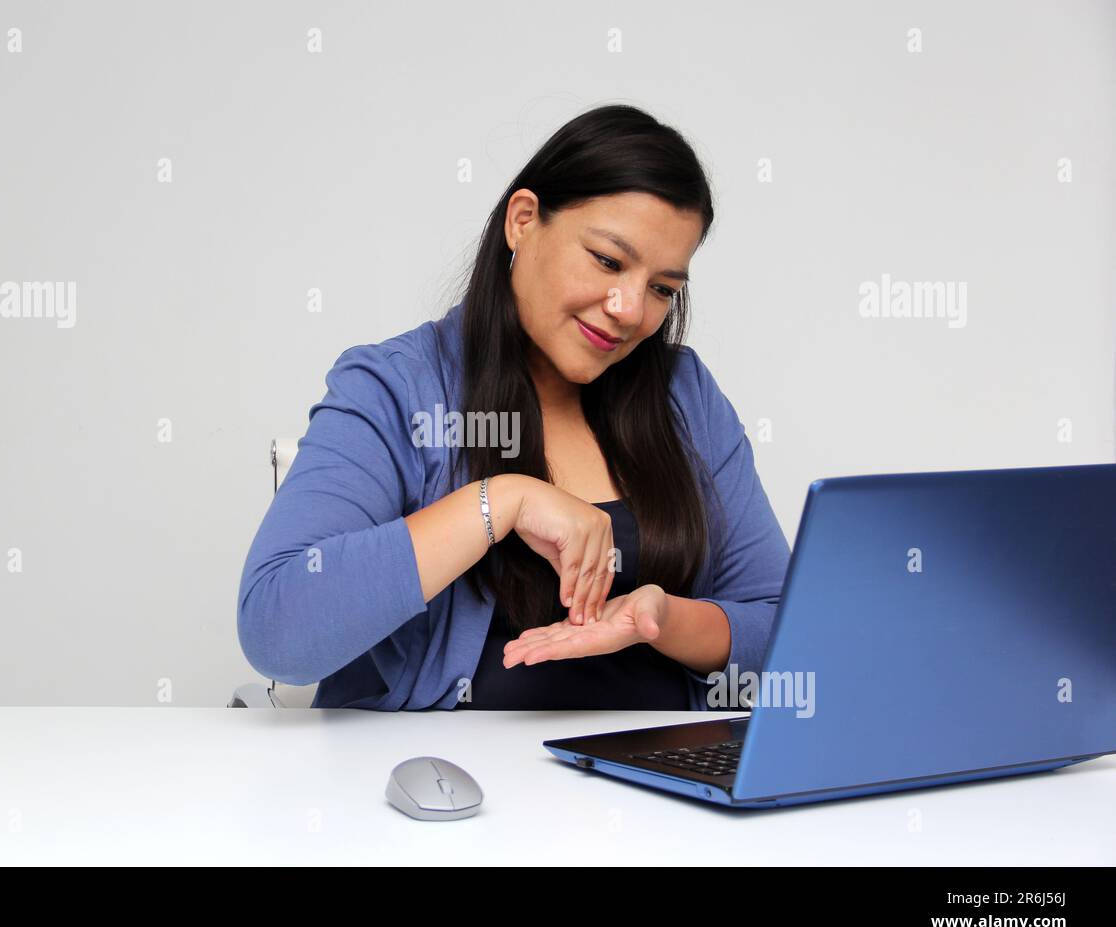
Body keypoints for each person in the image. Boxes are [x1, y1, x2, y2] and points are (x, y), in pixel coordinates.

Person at [237, 104, 790, 710]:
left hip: (658, 785)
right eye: (608, 261)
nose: (631, 309)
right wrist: (501, 501)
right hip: (463, 789)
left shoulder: (683, 394)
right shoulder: (395, 388)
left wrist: (662, 618)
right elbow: (276, 630)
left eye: (662, 288)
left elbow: (790, 635)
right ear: (523, 221)